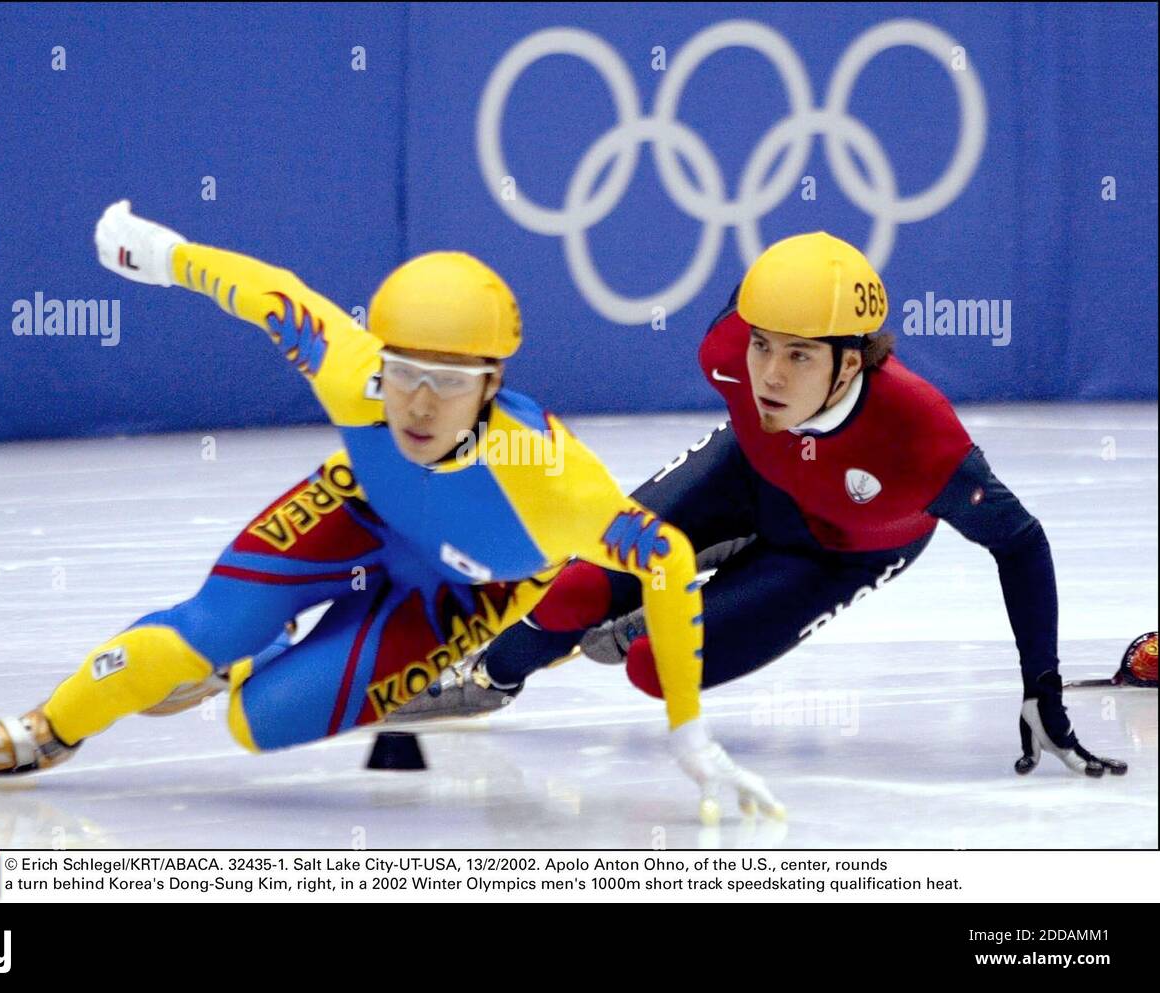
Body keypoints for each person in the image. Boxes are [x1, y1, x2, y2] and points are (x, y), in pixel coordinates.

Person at [0, 201, 782, 817]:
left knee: (257, 722)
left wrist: (688, 735)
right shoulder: (354, 374)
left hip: (460, 595)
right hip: (361, 508)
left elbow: (665, 561)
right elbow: (262, 291)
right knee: (203, 628)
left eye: (447, 384)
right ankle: (45, 730)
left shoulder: (551, 479)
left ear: (492, 385)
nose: (417, 404)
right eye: (404, 373)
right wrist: (156, 252)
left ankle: (259, 664)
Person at [395, 231, 1127, 780]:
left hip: (837, 554)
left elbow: (1021, 542)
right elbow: (757, 341)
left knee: (653, 666)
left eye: (800, 355)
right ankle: (491, 677)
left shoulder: (921, 440)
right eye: (763, 345)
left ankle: (646, 615)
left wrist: (1043, 691)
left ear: (852, 363)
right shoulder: (725, 351)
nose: (770, 374)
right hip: (747, 473)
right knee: (578, 587)